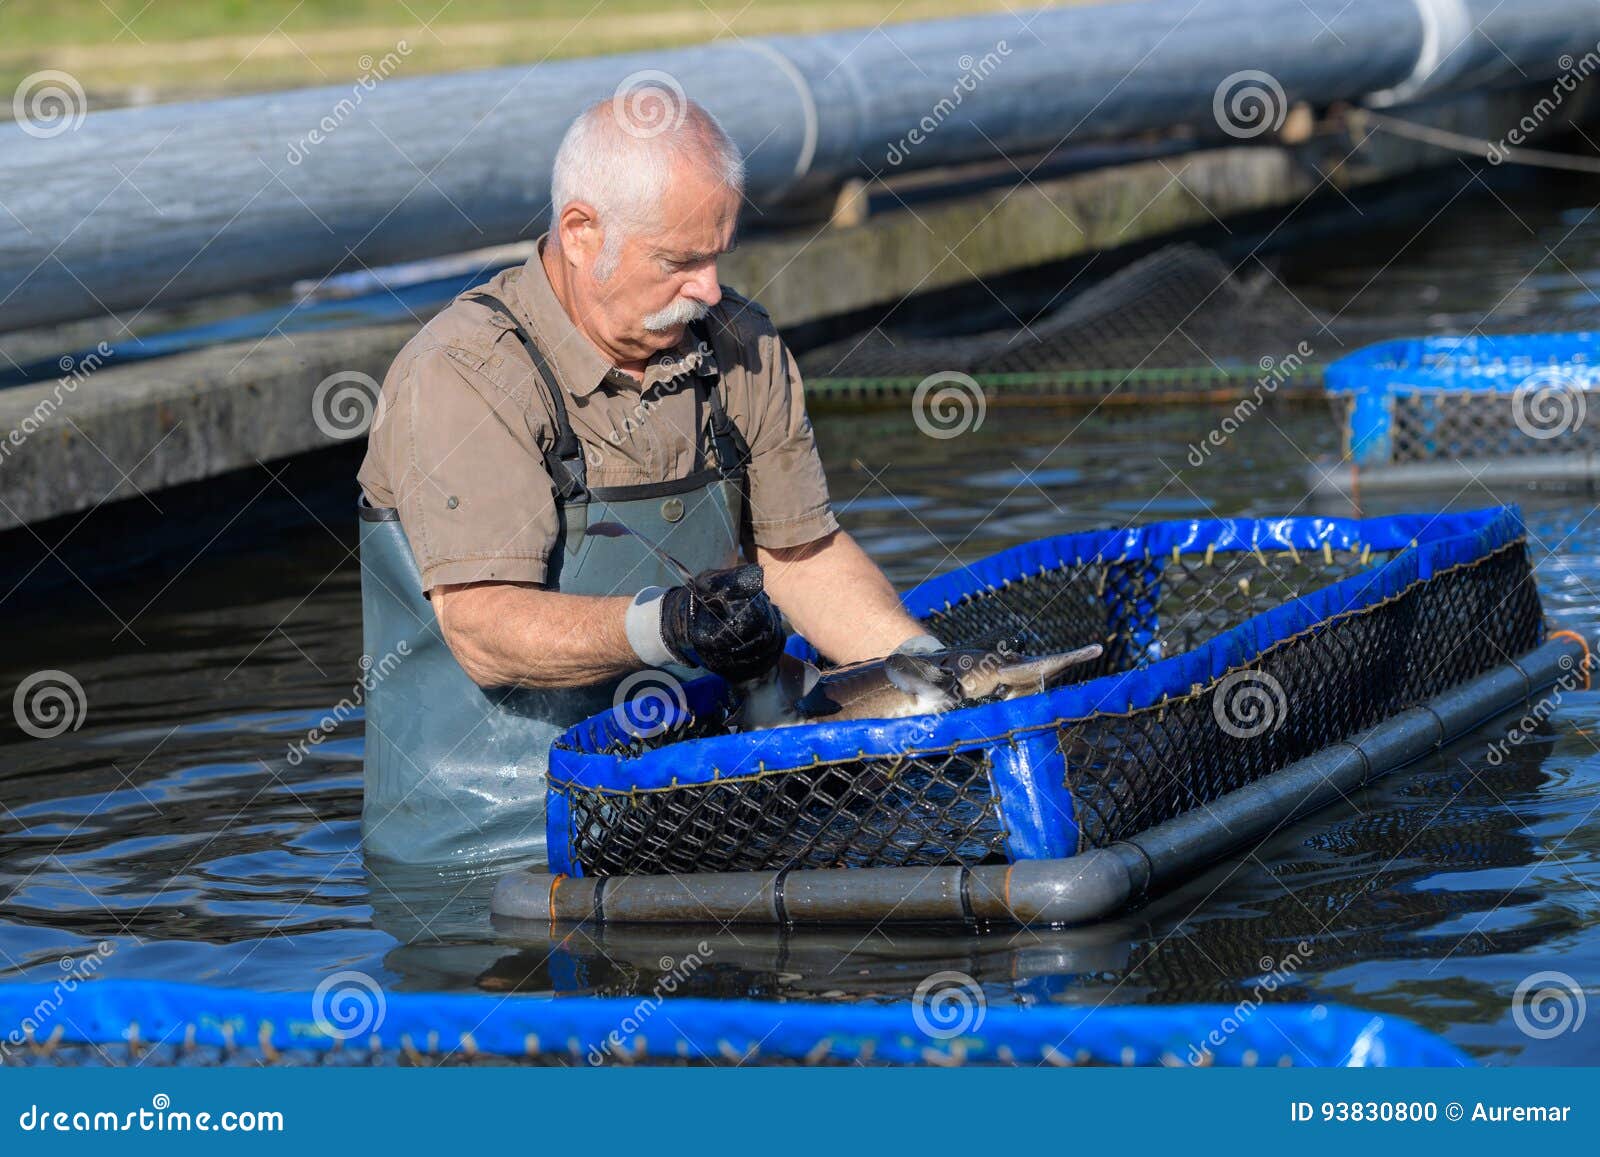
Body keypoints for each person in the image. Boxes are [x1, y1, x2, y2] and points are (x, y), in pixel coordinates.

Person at [356, 94, 937, 867]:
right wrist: (669, 625)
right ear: (581, 233)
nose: (709, 287)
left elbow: (801, 558)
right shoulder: (465, 371)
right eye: (680, 261)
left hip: (691, 816)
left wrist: (932, 671)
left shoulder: (739, 346)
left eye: (718, 254)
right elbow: (484, 630)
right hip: (493, 853)